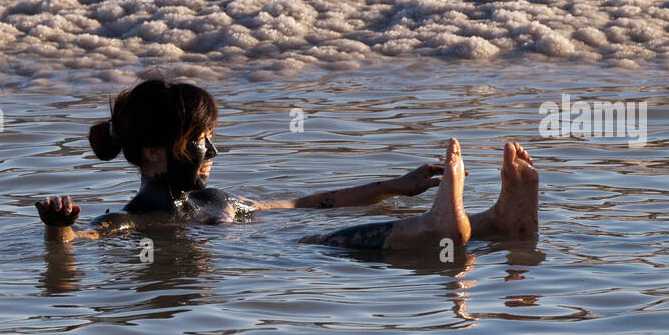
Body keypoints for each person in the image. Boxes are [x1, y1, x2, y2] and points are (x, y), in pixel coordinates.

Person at [35, 78, 539, 249]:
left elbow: (313, 201)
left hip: (270, 247)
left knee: (312, 231)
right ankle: (441, 228)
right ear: (153, 153)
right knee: (317, 243)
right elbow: (88, 238)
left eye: (211, 140)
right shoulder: (134, 221)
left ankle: (498, 224)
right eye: (200, 142)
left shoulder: (218, 200)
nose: (212, 153)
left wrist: (398, 184)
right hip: (284, 257)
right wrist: (60, 230)